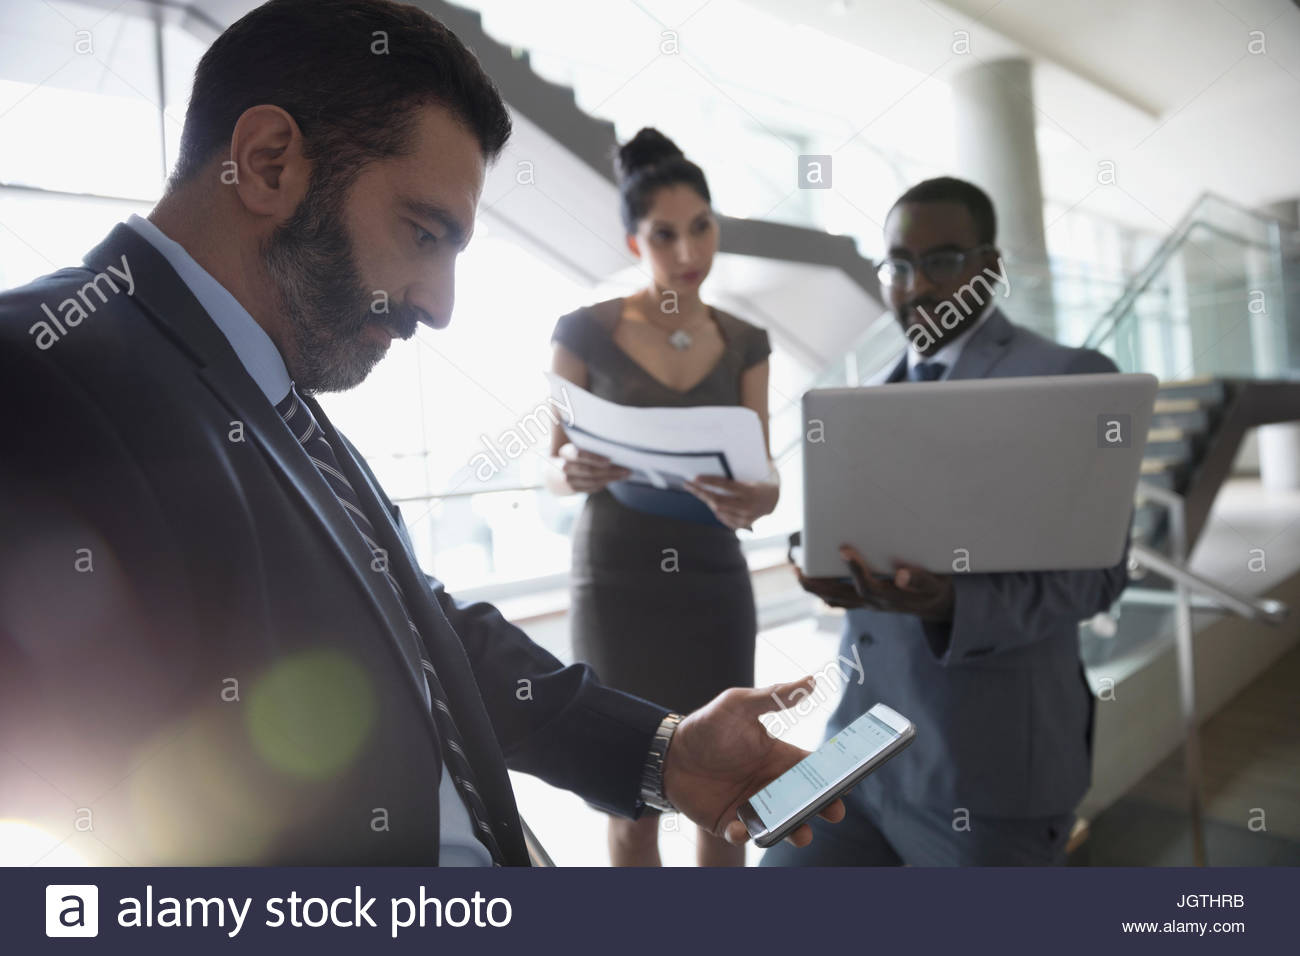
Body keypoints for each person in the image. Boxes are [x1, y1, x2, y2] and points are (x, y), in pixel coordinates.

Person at [0, 0, 844, 867]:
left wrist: (661, 754)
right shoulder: (37, 369)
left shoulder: (266, 386)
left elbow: (417, 629)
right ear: (266, 163)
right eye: (424, 233)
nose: (439, 305)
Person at [762, 177, 1128, 867]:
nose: (916, 284)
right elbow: (856, 534)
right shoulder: (866, 401)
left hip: (987, 772)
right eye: (899, 265)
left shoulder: (1068, 380)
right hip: (860, 753)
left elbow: (1101, 577)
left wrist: (955, 604)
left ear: (988, 267)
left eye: (943, 261)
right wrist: (825, 562)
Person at [546, 129, 780, 866]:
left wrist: (757, 501)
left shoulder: (746, 339)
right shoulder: (583, 330)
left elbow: (764, 479)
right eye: (666, 235)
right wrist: (570, 472)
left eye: (702, 228)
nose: (688, 253)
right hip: (618, 574)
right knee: (630, 794)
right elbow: (550, 466)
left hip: (712, 570)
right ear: (632, 240)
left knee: (726, 792)